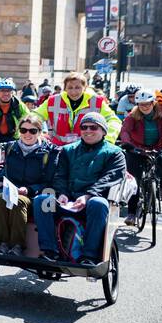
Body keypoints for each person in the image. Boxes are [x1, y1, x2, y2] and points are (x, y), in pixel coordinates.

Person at [32, 112, 125, 266]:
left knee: (99, 204)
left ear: (103, 131)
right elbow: (60, 175)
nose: (88, 130)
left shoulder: (115, 153)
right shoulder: (67, 150)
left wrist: (88, 196)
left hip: (93, 200)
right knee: (41, 200)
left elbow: (110, 178)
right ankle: (50, 251)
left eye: (93, 127)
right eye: (84, 127)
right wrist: (62, 194)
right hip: (68, 199)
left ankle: (89, 255)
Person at [0, 114, 58, 255]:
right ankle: (2, 244)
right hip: (10, 191)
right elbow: (4, 170)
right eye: (23, 130)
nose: (27, 134)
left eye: (33, 131)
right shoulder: (10, 148)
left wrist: (30, 189)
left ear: (39, 132)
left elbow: (50, 180)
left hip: (36, 196)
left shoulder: (51, 151)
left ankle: (17, 246)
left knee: (19, 201)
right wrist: (1, 181)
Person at [119, 90, 162, 226]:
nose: (144, 107)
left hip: (158, 149)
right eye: (141, 104)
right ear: (137, 105)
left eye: (147, 104)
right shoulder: (132, 116)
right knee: (134, 181)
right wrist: (127, 144)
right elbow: (125, 130)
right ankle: (131, 213)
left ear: (153, 103)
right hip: (137, 149)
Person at [34, 72, 120, 147]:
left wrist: (107, 139)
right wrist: (35, 133)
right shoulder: (52, 100)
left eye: (78, 87)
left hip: (87, 149)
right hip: (57, 149)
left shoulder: (97, 101)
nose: (73, 92)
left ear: (85, 87)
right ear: (65, 88)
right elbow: (34, 117)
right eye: (70, 88)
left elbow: (113, 120)